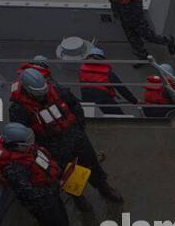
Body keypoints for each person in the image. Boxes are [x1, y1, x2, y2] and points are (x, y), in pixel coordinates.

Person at [10, 67, 124, 204]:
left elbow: (75, 105)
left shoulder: (57, 91)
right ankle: (78, 197)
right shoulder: (18, 109)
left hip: (75, 134)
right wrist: (43, 149)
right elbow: (24, 133)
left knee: (91, 162)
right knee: (67, 173)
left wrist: (79, 126)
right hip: (53, 145)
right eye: (38, 93)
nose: (42, 96)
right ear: (27, 90)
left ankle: (104, 188)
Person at [0, 124, 85, 226]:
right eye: (27, 143)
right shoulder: (12, 168)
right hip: (41, 203)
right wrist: (56, 187)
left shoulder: (27, 151)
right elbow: (30, 193)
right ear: (16, 145)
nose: (31, 145)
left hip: (51, 191)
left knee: (61, 218)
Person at [78, 46, 139, 116]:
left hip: (86, 98)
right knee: (119, 117)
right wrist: (135, 101)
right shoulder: (107, 73)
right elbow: (121, 89)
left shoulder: (81, 71)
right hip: (103, 99)